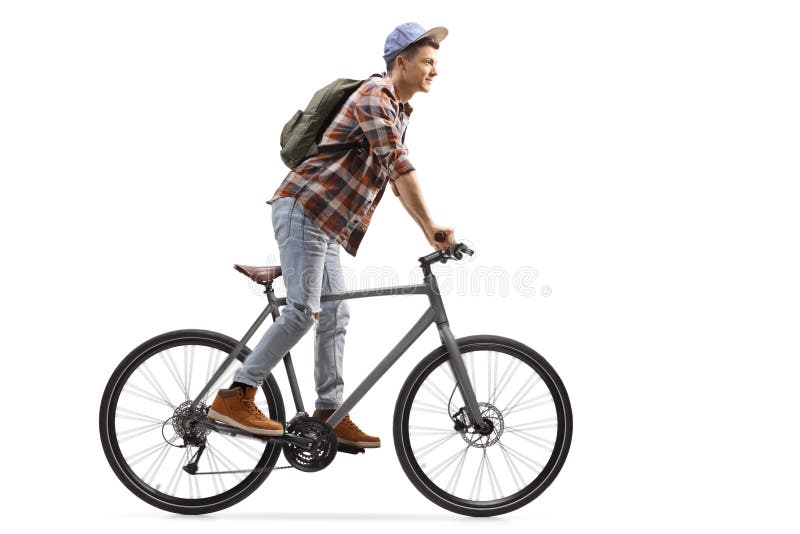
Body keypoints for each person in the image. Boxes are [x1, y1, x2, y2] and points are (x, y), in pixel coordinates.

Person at [208, 22, 456, 449]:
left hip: (323, 223)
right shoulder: (376, 95)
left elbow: (394, 178)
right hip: (305, 209)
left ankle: (330, 413)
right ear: (402, 61)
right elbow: (397, 166)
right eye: (428, 61)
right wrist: (431, 225)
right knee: (304, 311)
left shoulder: (397, 109)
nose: (435, 70)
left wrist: (426, 228)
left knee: (336, 314)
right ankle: (237, 394)